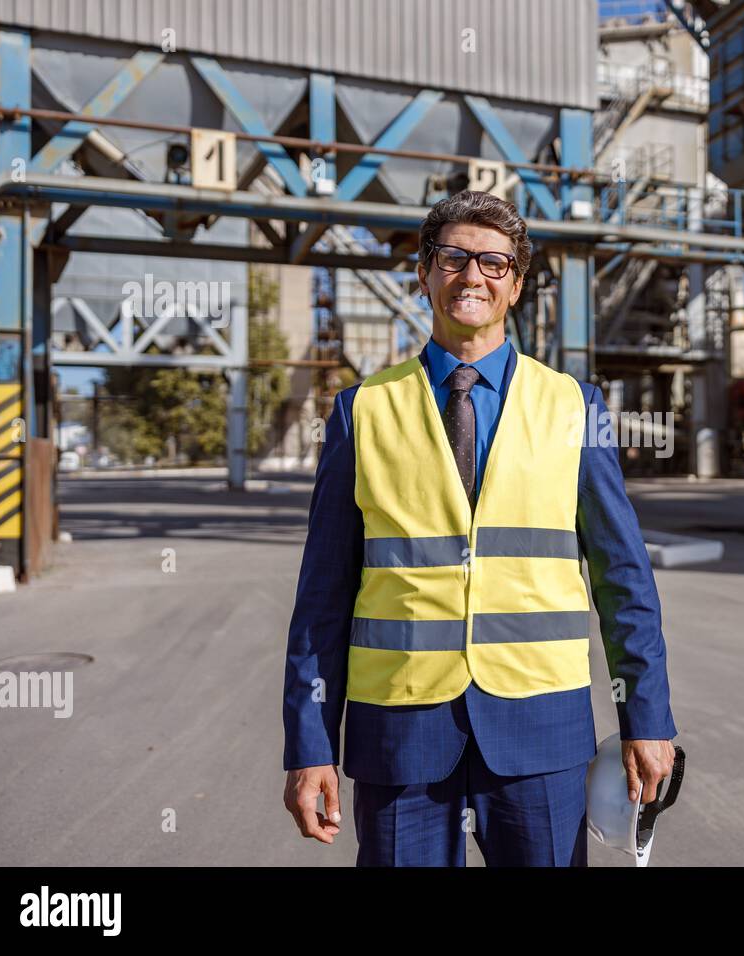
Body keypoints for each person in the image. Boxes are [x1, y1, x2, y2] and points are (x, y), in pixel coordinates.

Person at [281, 189, 678, 866]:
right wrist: (310, 743)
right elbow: (323, 596)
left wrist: (647, 717)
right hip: (400, 730)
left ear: (516, 285)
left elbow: (621, 575)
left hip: (540, 726)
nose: (473, 277)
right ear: (425, 273)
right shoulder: (361, 412)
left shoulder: (573, 406)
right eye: (454, 258)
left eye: (494, 264)